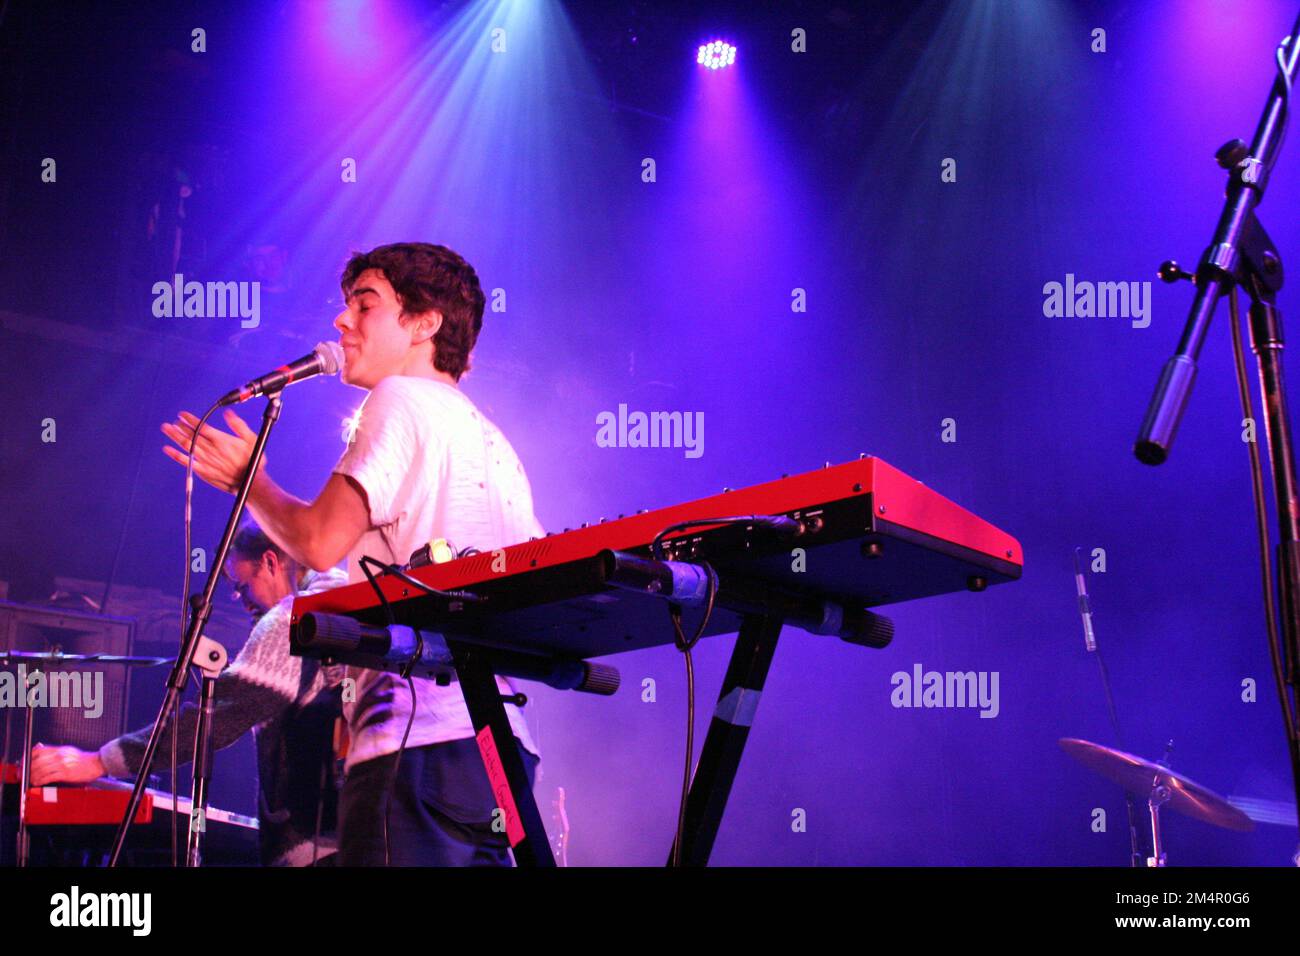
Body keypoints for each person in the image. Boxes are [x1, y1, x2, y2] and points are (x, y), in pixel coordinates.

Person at [159, 242, 542, 866]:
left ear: (424, 324)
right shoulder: (496, 443)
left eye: (365, 305)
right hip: (500, 752)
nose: (341, 322)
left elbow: (317, 542)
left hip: (414, 746)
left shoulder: (399, 400)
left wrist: (249, 481)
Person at [30, 523, 348, 866]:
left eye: (243, 586)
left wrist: (97, 762)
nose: (242, 602)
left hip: (317, 850)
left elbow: (213, 719)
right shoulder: (345, 604)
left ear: (271, 562)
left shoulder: (292, 620)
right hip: (354, 834)